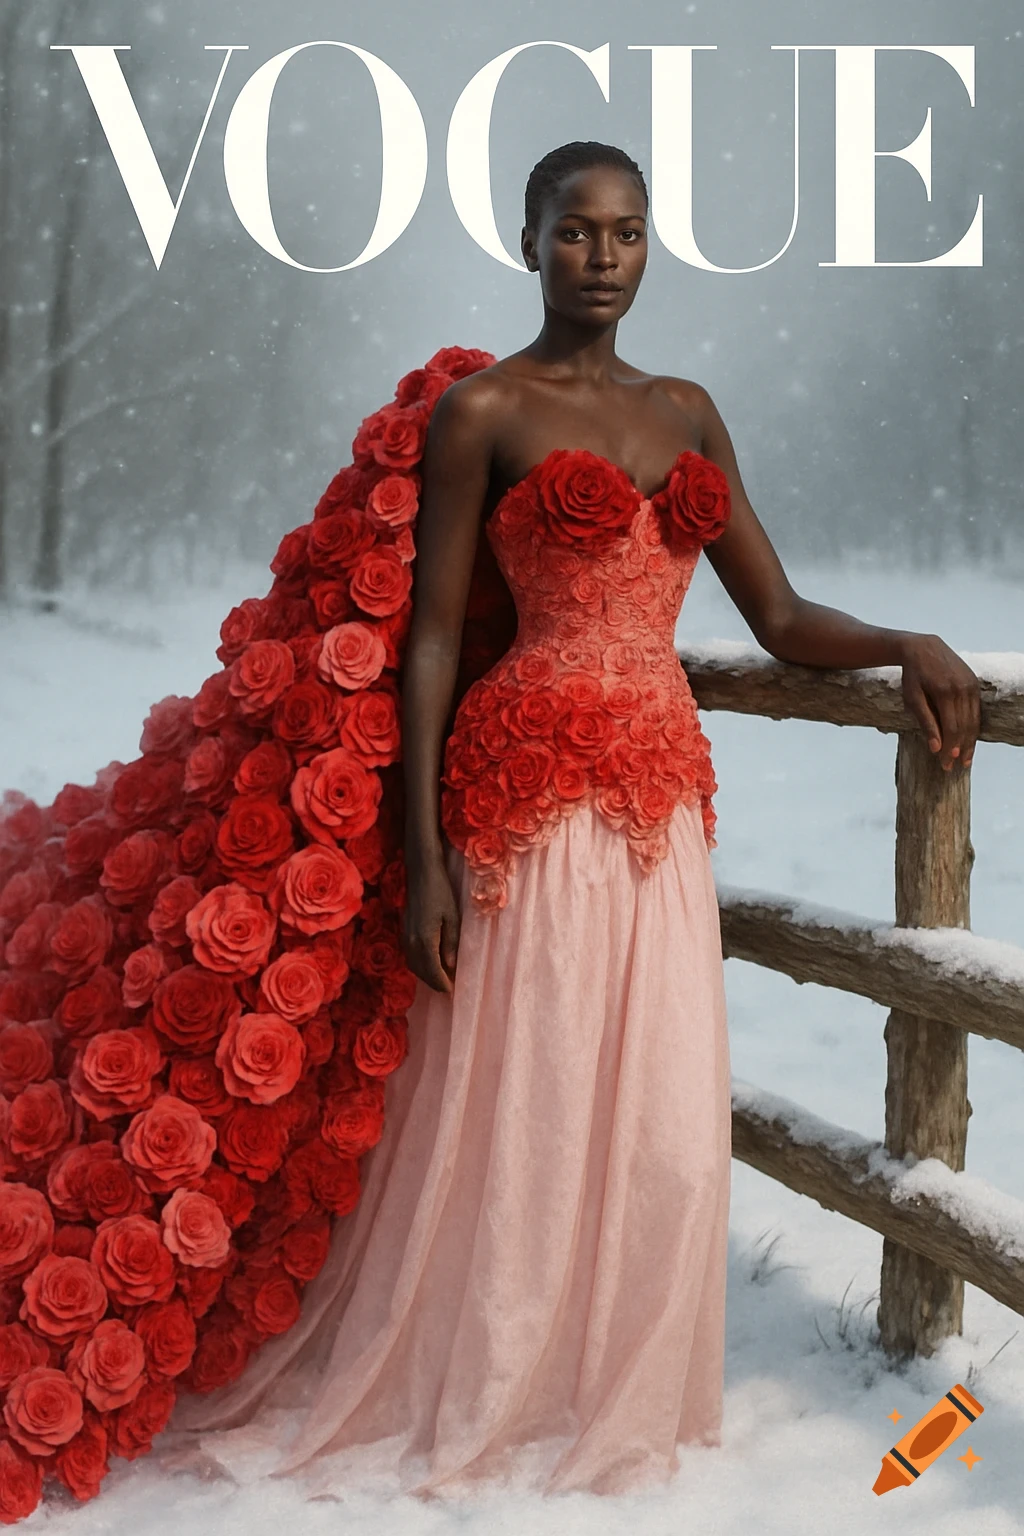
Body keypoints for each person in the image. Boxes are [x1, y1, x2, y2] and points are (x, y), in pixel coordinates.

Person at [0, 140, 981, 1521]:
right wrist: (416, 865)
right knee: (515, 1107)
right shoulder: (485, 411)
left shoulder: (691, 410)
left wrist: (907, 638)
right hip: (517, 795)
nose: (602, 257)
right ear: (530, 243)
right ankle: (490, 1369)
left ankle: (609, 1376)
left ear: (650, 249)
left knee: (660, 1124)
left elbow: (778, 619)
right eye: (576, 233)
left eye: (627, 234)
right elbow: (437, 636)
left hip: (657, 804)